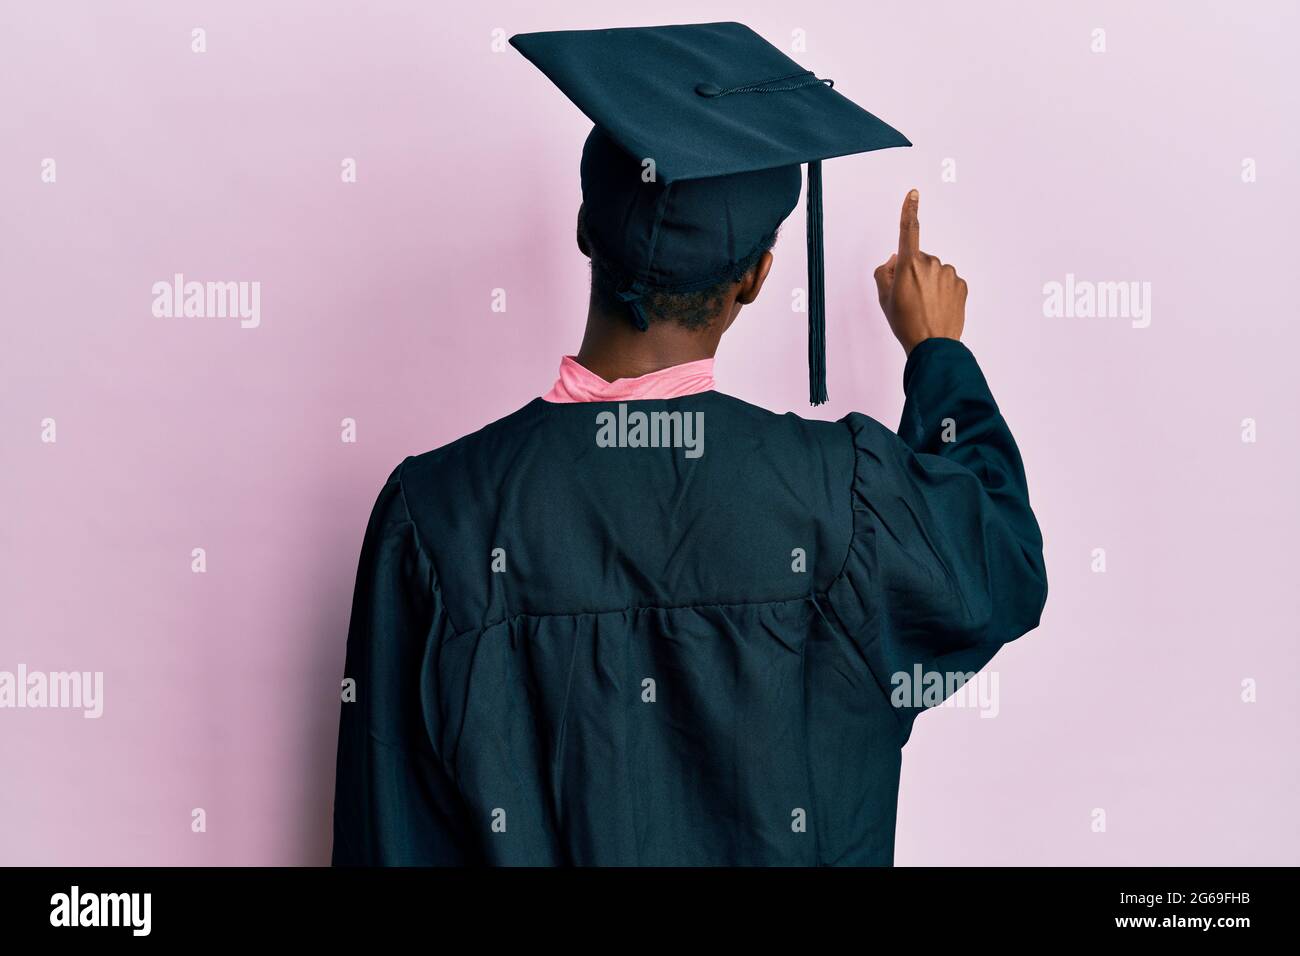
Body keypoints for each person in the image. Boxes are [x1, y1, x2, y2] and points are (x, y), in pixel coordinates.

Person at [332, 23, 1047, 866]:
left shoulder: (436, 517)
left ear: (584, 231)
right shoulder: (843, 503)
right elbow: (1001, 565)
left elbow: (391, 830)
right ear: (755, 276)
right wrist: (938, 358)